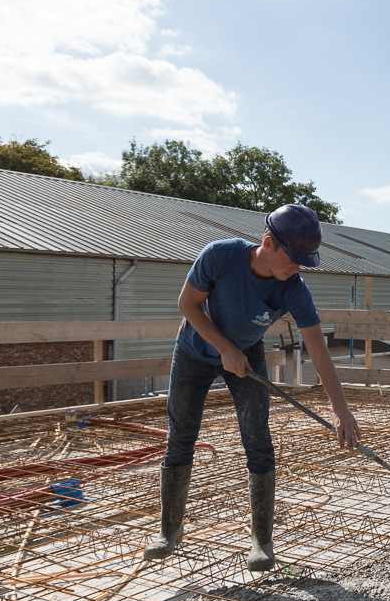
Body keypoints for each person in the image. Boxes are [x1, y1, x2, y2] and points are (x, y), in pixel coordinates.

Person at [143, 204, 360, 571]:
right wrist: (224, 347)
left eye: (304, 261)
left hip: (247, 354)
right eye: (292, 258)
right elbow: (187, 304)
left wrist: (340, 410)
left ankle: (262, 540)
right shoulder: (219, 256)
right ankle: (169, 531)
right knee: (181, 436)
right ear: (268, 243)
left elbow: (317, 348)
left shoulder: (293, 289)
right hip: (195, 351)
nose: (297, 267)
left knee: (258, 440)